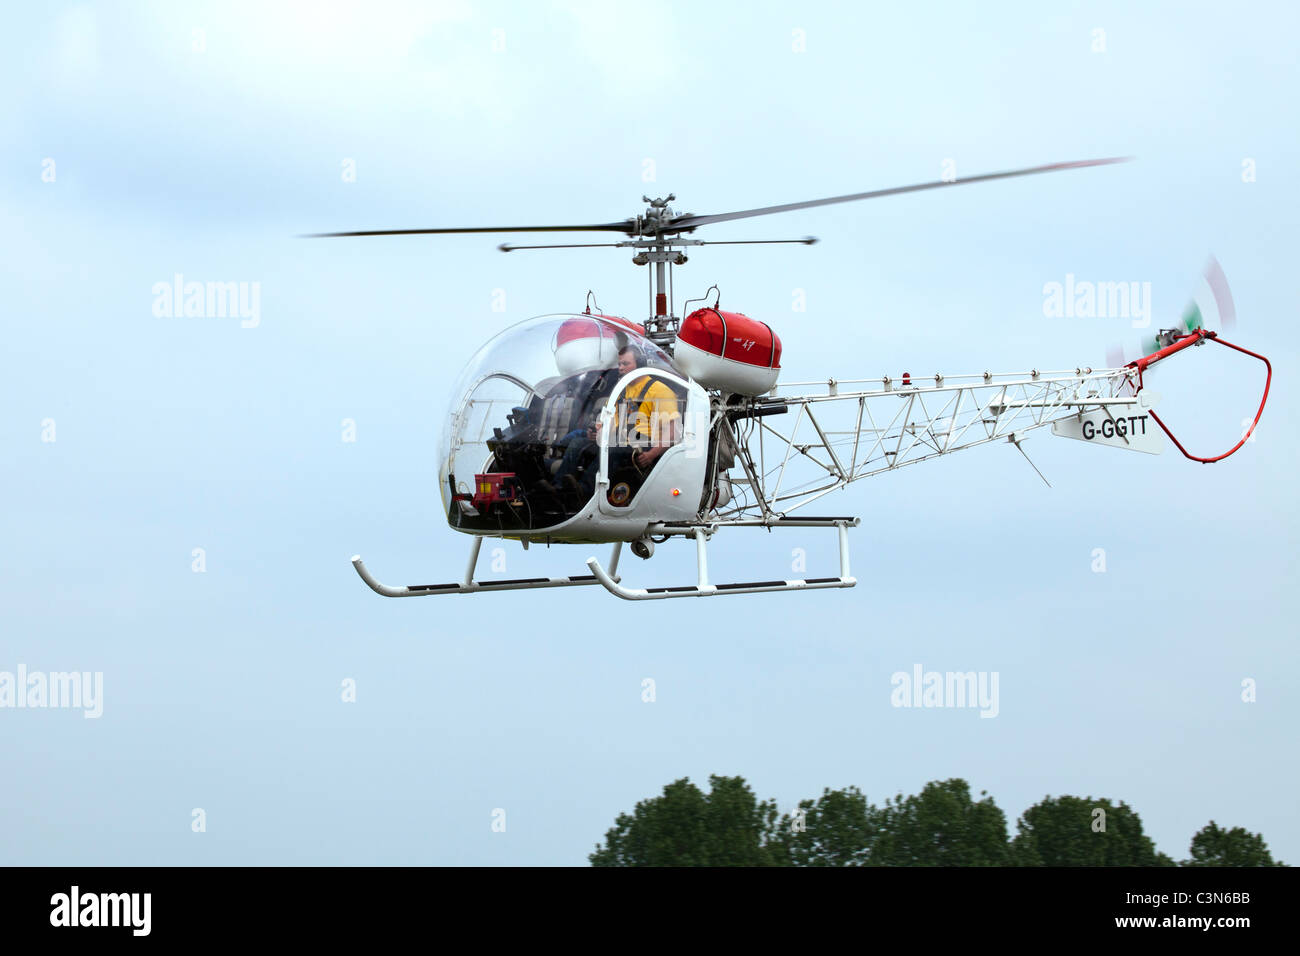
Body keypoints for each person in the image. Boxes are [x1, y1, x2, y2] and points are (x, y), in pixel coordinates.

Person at [551, 345, 680, 498]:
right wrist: (597, 432)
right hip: (616, 441)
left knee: (614, 449)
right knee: (577, 443)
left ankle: (584, 493)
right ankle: (557, 489)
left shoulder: (659, 390)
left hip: (641, 446)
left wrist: (652, 454)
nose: (620, 368)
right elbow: (605, 419)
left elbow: (672, 430)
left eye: (625, 364)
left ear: (639, 364)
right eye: (619, 364)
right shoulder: (621, 391)